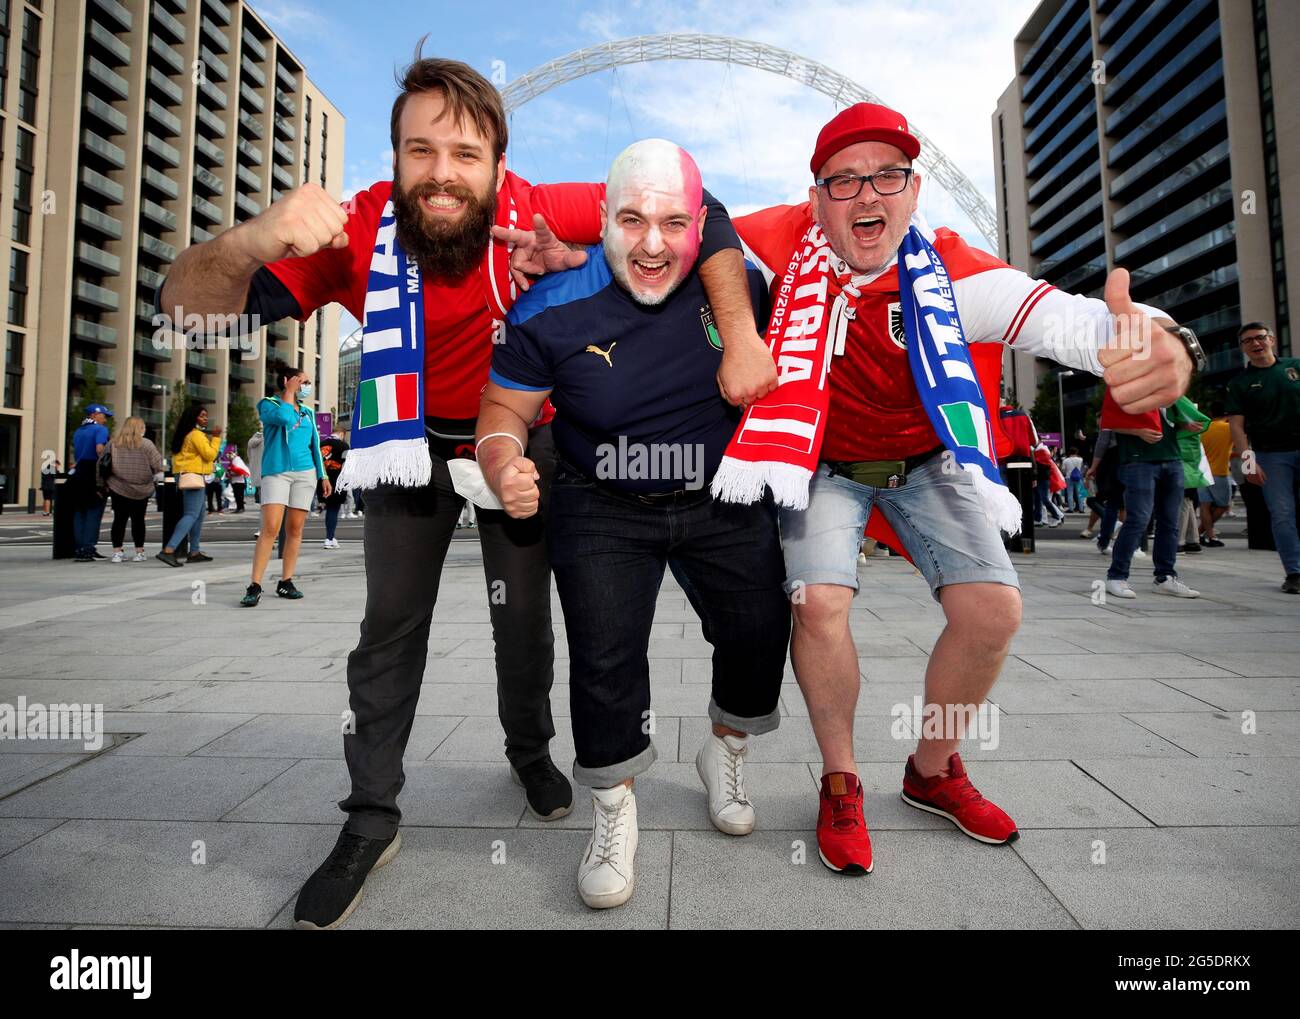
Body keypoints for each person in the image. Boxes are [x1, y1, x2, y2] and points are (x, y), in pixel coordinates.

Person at [158, 50, 761, 930]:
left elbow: (698, 212)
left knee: (522, 615)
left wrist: (618, 269)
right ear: (394, 158)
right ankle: (371, 814)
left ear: (499, 167)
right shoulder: (358, 226)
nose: (442, 173)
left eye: (465, 154)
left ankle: (529, 751)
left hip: (521, 435)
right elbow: (184, 309)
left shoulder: (543, 209)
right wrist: (254, 238)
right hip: (407, 449)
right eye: (420, 151)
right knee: (391, 622)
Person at [706, 102, 1194, 873]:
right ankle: (840, 777)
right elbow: (685, 219)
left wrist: (1156, 343)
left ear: (915, 188)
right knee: (818, 601)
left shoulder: (952, 272)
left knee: (993, 609)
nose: (868, 196)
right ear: (816, 198)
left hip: (928, 463)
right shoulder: (773, 249)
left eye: (887, 176)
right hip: (826, 464)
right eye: (844, 181)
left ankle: (931, 770)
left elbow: (1064, 320)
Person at [479, 139, 790, 910]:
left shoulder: (740, 285)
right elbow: (503, 408)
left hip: (720, 491)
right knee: (605, 656)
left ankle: (724, 753)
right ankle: (613, 810)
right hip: (602, 499)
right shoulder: (550, 304)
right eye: (632, 219)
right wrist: (500, 460)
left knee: (759, 631)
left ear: (697, 227)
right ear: (605, 222)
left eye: (673, 222)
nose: (653, 242)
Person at [240, 362, 327, 604]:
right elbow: (285, 419)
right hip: (277, 471)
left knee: (295, 529)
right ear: (287, 381)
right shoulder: (269, 404)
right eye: (302, 381)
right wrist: (289, 393)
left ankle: (286, 581)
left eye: (307, 382)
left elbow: (315, 446)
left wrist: (323, 475)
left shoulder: (308, 413)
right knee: (270, 527)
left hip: (305, 473)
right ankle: (255, 584)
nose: (306, 386)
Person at [1226, 322, 1300, 593]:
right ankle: (1295, 572)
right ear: (1242, 348)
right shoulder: (1239, 383)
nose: (1256, 344)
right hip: (1272, 455)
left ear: (1271, 339)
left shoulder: (1295, 367)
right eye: (1248, 341)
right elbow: (1237, 426)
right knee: (1282, 514)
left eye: (1260, 338)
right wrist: (1248, 463)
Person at [1103, 402, 1204, 600]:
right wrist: (1138, 432)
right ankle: (1116, 576)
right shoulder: (1124, 383)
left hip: (1172, 457)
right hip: (1138, 460)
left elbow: (1172, 418)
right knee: (1139, 519)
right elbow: (1108, 421)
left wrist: (1186, 425)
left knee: (1170, 521)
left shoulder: (1167, 385)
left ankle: (1165, 576)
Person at [158, 405, 222, 567]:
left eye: (206, 415)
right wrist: (216, 438)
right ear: (194, 418)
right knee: (191, 515)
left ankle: (194, 551)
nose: (205, 418)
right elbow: (210, 455)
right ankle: (169, 550)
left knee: (199, 515)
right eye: (202, 415)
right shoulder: (196, 435)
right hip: (193, 476)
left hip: (187, 475)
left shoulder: (185, 434)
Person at [105, 416, 164, 562]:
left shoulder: (113, 444)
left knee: (119, 519)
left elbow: (102, 463)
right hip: (141, 488)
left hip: (118, 486)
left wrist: (102, 484)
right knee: (138, 520)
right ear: (140, 428)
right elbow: (158, 465)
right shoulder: (147, 444)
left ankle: (117, 552)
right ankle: (139, 551)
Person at [70, 404, 112, 562]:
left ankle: (80, 548)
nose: (105, 420)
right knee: (94, 511)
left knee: (80, 512)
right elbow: (100, 450)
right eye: (104, 416)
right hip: (93, 471)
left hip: (79, 471)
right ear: (95, 415)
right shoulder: (100, 430)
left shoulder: (79, 431)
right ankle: (89, 548)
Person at [1197, 401, 1231, 547]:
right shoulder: (1229, 428)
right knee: (1223, 505)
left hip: (1202, 470)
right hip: (1219, 472)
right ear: (1227, 414)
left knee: (1204, 505)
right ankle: (1204, 533)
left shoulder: (1203, 428)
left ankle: (1206, 534)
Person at [319, 431, 349, 549]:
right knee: (334, 510)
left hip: (323, 479)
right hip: (338, 479)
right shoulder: (344, 446)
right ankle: (329, 538)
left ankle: (330, 537)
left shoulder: (322, 443)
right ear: (341, 434)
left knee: (329, 508)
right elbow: (347, 464)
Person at [1061, 447, 1086, 512]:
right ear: (1076, 452)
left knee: (1070, 493)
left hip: (1069, 478)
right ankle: (1081, 509)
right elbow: (1083, 468)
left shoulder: (1065, 460)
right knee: (1080, 493)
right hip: (1078, 477)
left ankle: (1071, 509)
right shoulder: (1080, 459)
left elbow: (1063, 470)